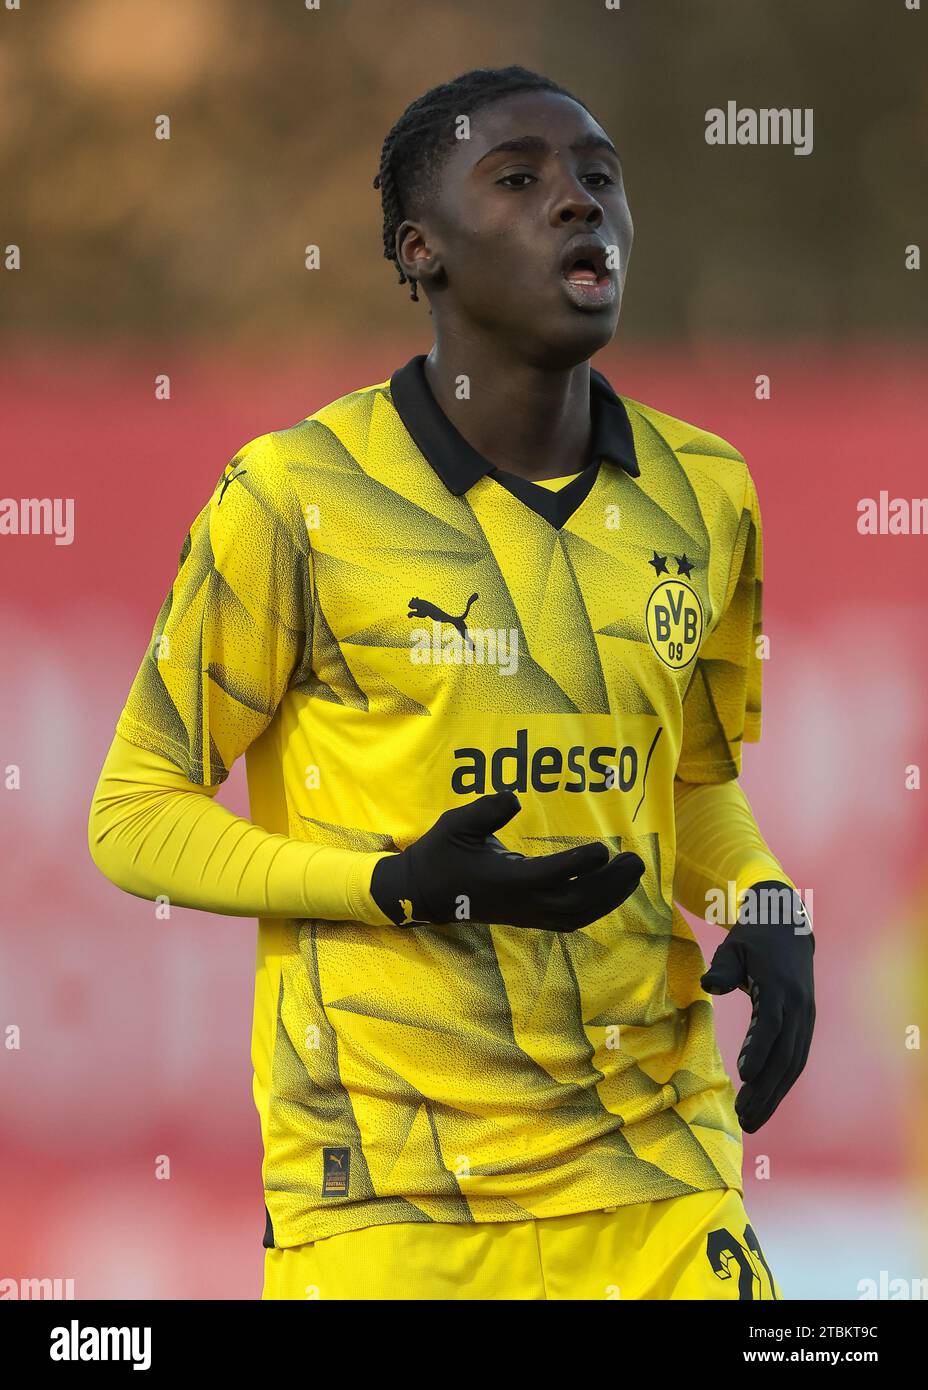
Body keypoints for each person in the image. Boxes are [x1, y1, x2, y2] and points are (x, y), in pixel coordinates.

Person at [88, 65, 814, 1301]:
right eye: (521, 181)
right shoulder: (294, 498)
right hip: (386, 1196)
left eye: (597, 177)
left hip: (655, 1166)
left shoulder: (708, 491)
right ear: (420, 251)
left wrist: (765, 899)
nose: (578, 203)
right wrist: (393, 885)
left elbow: (685, 783)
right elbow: (133, 812)